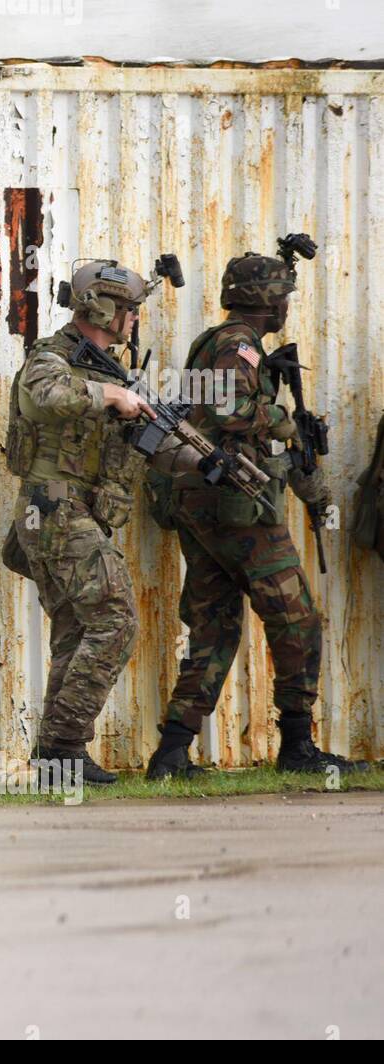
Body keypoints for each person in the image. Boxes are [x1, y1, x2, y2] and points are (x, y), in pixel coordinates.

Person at [145, 253, 351, 777]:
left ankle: (171, 754)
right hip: (236, 505)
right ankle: (298, 747)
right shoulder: (237, 344)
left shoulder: (228, 343)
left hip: (205, 504)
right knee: (298, 618)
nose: (286, 304)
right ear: (266, 300)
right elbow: (226, 410)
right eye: (282, 295)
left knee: (215, 627)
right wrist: (281, 418)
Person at [3, 261, 156, 785]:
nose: (135, 319)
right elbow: (42, 398)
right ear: (103, 307)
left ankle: (56, 757)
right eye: (130, 308)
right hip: (52, 506)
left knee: (76, 628)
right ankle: (65, 743)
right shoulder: (52, 357)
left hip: (72, 511)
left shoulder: (110, 369)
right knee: (116, 620)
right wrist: (113, 397)